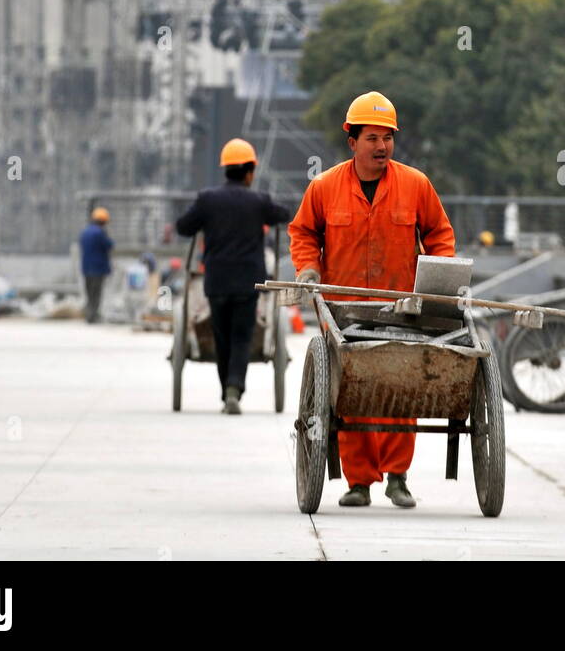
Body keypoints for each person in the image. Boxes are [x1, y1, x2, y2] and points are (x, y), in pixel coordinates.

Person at [289, 91, 455, 510]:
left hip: (401, 309)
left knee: (402, 391)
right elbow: (304, 233)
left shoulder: (415, 185)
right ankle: (359, 482)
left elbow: (439, 234)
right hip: (343, 311)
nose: (382, 146)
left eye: (388, 138)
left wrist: (437, 278)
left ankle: (397, 477)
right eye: (372, 138)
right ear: (352, 142)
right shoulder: (325, 187)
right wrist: (308, 270)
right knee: (350, 394)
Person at [176, 138, 289, 414]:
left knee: (222, 336)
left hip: (216, 281)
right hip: (248, 282)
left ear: (225, 170)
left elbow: (183, 226)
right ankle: (233, 389)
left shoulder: (208, 199)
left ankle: (227, 387)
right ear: (250, 171)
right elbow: (284, 214)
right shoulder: (259, 201)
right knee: (241, 336)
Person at [79, 207, 114, 323]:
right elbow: (108, 245)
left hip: (86, 267)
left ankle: (89, 315)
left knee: (89, 293)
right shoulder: (100, 232)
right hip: (98, 268)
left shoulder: (86, 231)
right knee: (96, 293)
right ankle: (93, 316)